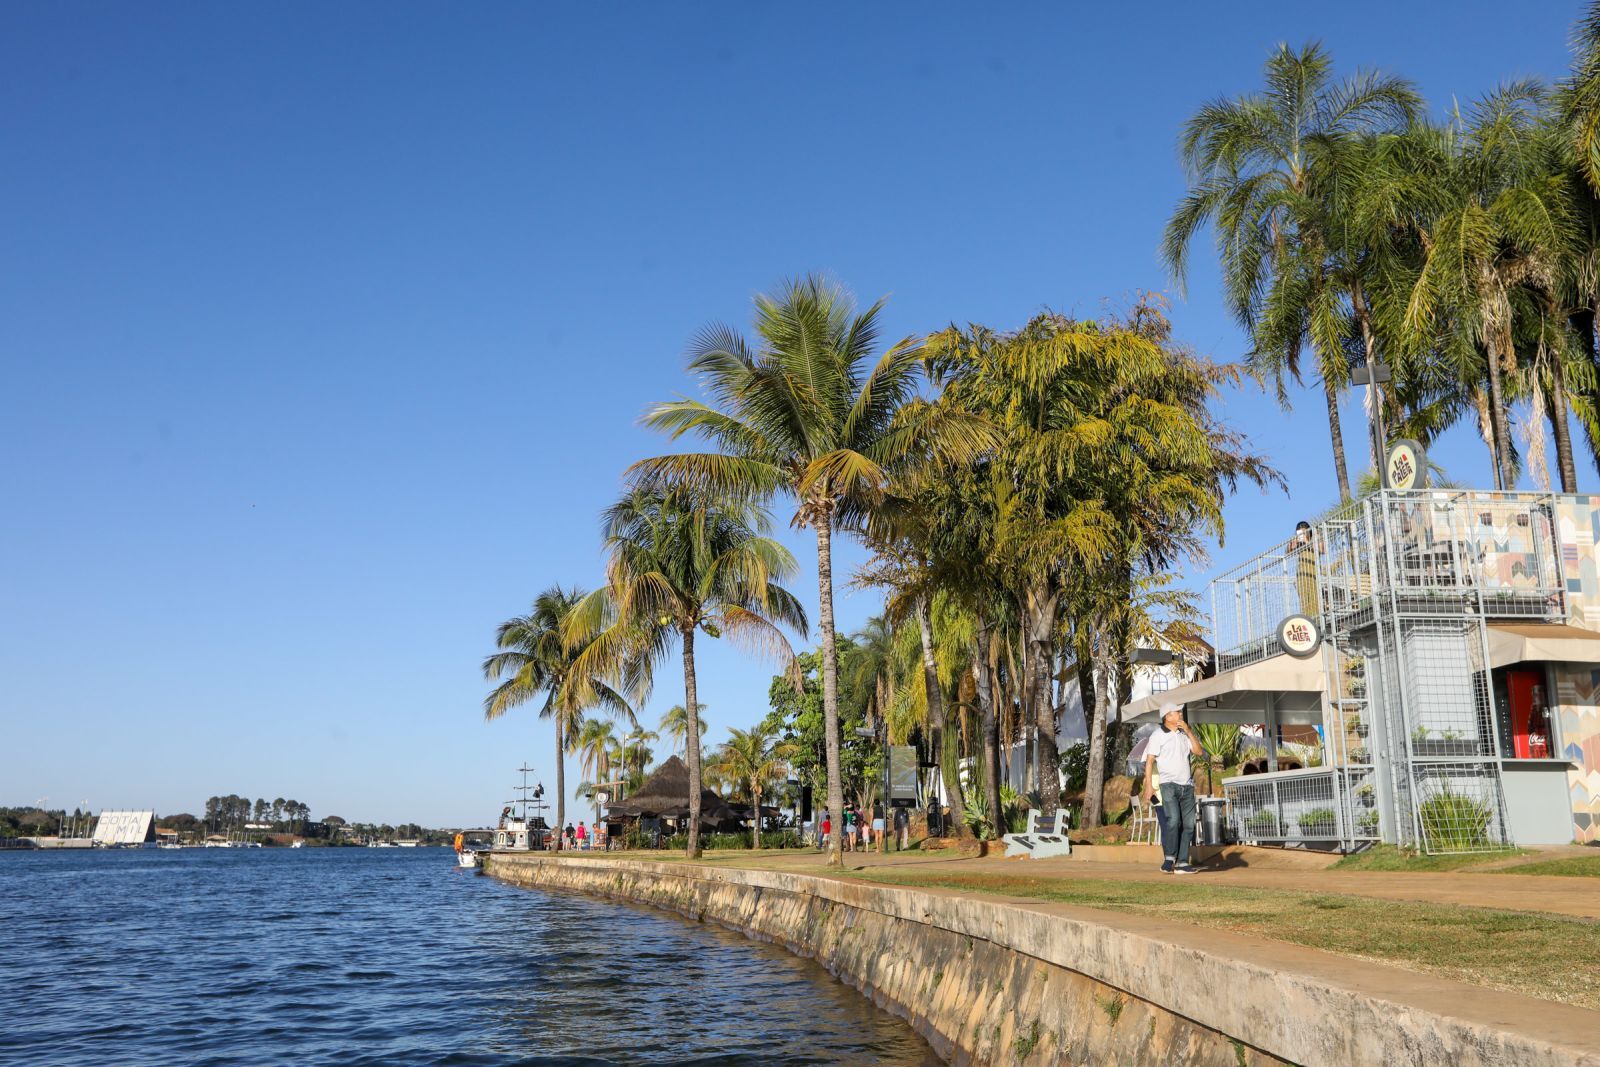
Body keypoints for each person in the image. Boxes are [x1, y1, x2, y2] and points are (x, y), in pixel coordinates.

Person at [1142, 703, 1204, 874]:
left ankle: (1183, 862)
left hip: (1187, 786)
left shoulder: (1184, 734)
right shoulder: (1157, 735)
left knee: (1189, 825)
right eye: (1177, 712)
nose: (1180, 714)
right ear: (1167, 717)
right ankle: (1170, 857)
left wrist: (1189, 731)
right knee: (1174, 821)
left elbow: (1199, 752)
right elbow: (1149, 761)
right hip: (1168, 785)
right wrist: (1149, 786)